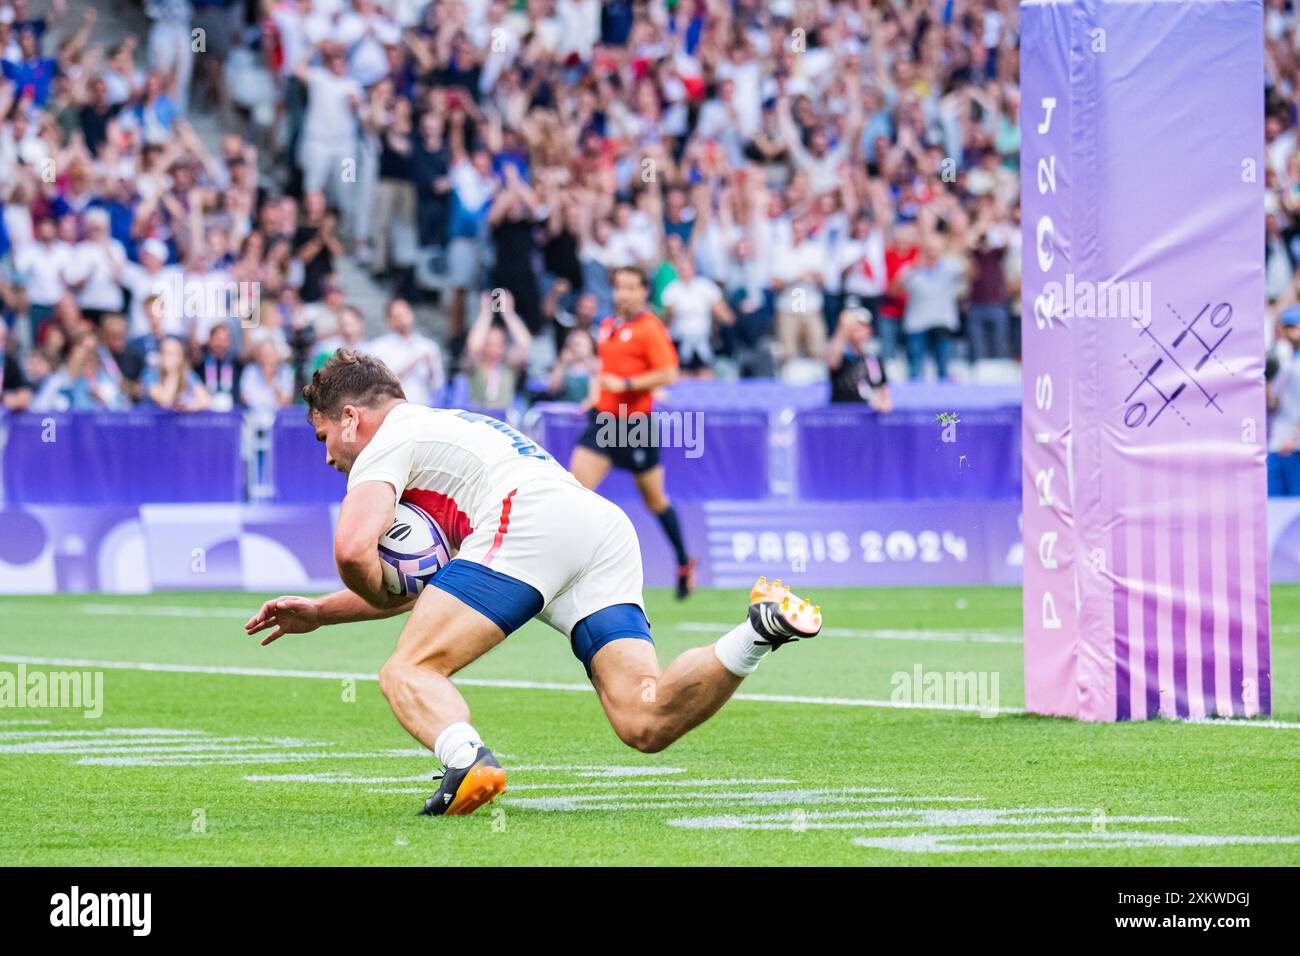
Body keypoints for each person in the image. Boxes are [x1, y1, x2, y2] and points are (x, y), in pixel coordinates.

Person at [244, 350, 822, 816]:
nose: (327, 458)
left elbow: (352, 550)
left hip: (528, 519)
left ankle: (467, 759)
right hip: (594, 525)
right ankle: (757, 631)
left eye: (323, 438)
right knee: (645, 719)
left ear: (351, 417)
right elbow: (427, 587)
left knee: (407, 670)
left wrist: (363, 587)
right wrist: (322, 612)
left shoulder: (388, 437)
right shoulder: (446, 431)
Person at [568, 266, 696, 599]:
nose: (622, 294)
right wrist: (595, 395)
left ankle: (684, 562)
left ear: (643, 293)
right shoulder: (608, 325)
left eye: (630, 288)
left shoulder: (650, 328)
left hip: (635, 426)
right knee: (574, 493)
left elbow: (669, 373)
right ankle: (577, 573)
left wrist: (627, 385)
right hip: (603, 421)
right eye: (619, 287)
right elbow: (605, 371)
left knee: (655, 501)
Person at [826, 299, 891, 411]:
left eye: (863, 326)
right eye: (855, 326)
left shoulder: (874, 359)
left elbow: (883, 391)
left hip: (867, 418)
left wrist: (884, 403)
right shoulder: (843, 356)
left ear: (869, 330)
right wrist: (843, 328)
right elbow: (832, 362)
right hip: (842, 417)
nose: (858, 329)